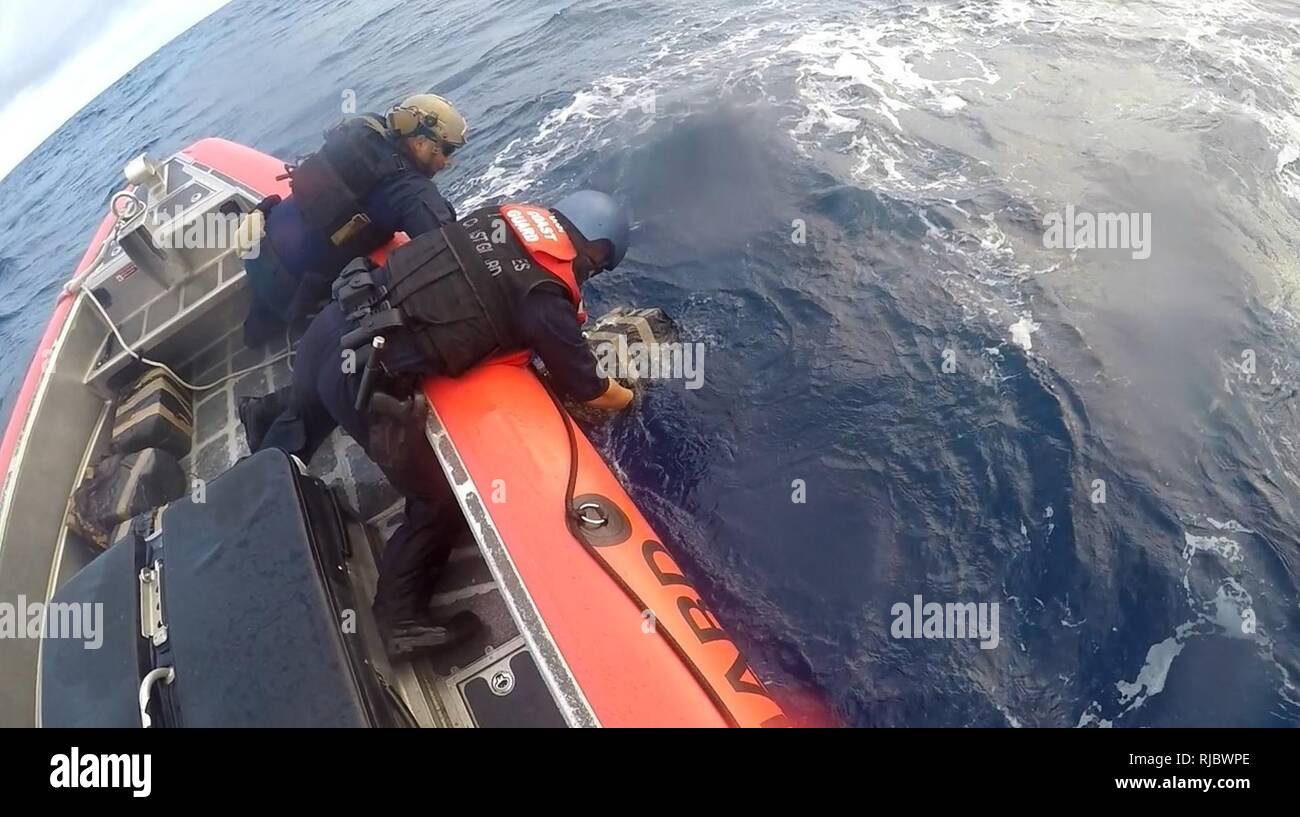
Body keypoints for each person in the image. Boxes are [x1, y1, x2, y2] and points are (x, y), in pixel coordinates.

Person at [243, 190, 635, 658]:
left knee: (316, 397)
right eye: (598, 264)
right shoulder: (544, 293)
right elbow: (587, 388)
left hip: (330, 326)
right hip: (361, 379)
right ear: (597, 251)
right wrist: (630, 398)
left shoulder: (498, 218)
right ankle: (399, 620)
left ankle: (264, 416)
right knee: (438, 500)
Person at [238, 93, 468, 345]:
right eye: (445, 150)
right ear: (421, 143)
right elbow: (451, 253)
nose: (448, 161)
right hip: (289, 290)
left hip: (258, 248)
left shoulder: (362, 128)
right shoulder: (410, 191)